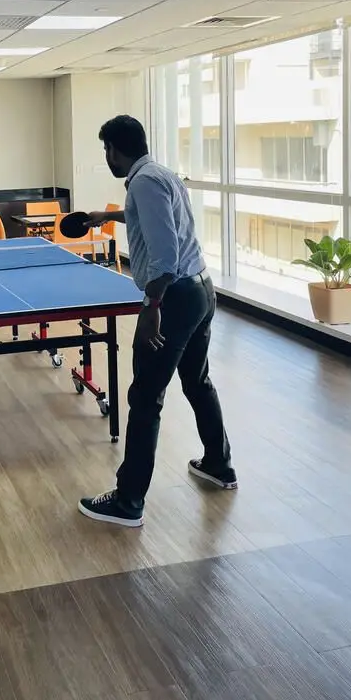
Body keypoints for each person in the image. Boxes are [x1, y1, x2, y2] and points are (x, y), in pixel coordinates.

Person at [78, 115, 235, 528]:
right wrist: (108, 217)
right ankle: (219, 464)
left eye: (106, 149)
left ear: (114, 149)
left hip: (174, 297)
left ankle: (128, 501)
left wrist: (152, 307)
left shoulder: (143, 183)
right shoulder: (160, 174)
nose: (107, 157)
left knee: (146, 397)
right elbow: (160, 221)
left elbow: (165, 255)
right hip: (201, 290)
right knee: (197, 381)